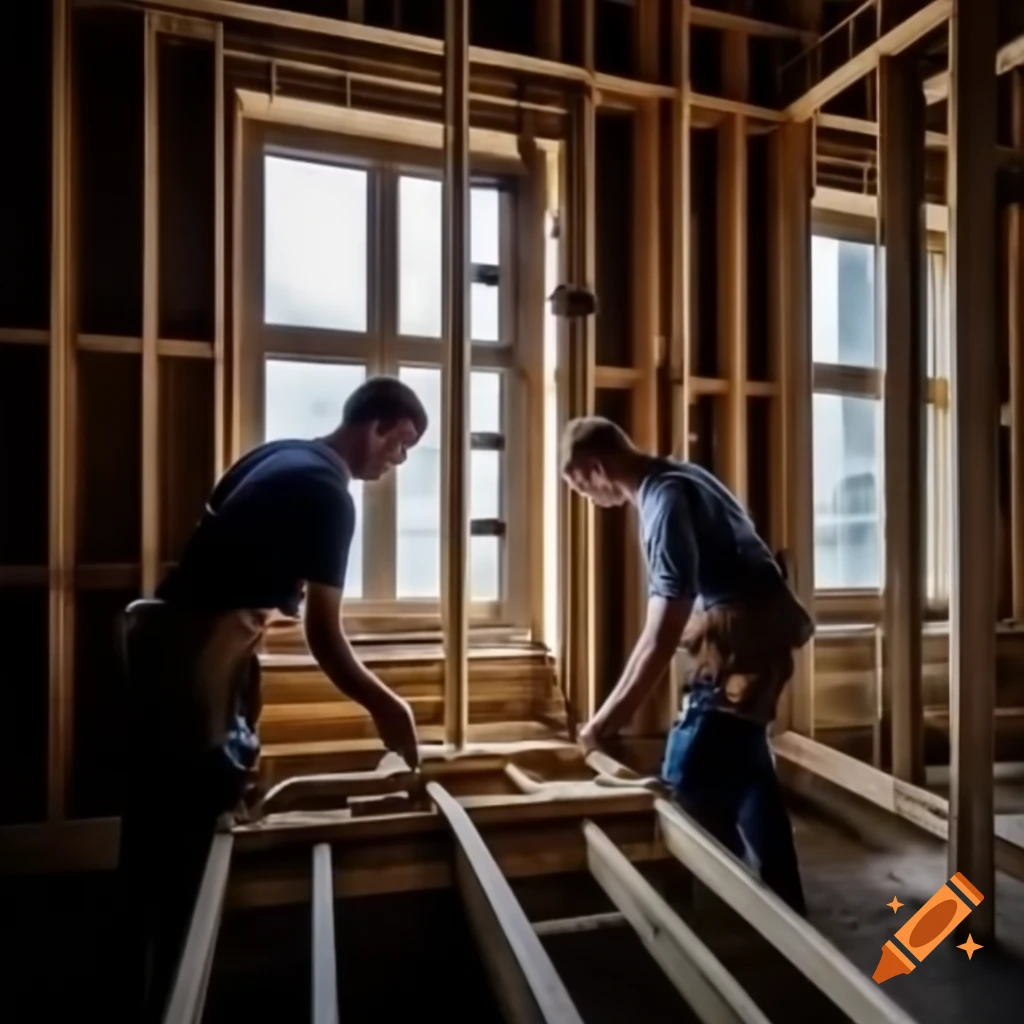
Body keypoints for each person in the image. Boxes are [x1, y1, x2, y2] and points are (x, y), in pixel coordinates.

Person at [117, 375, 427, 1021]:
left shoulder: (278, 452)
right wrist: (388, 708)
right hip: (191, 656)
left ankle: (143, 975)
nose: (397, 463)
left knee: (154, 829)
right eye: (400, 446)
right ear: (376, 427)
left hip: (167, 639)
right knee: (182, 836)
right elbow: (325, 635)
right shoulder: (328, 494)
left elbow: (220, 563)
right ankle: (168, 992)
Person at [560, 415, 814, 914]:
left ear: (593, 467)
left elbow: (659, 638)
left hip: (743, 650)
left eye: (578, 485)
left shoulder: (663, 502)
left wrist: (601, 725)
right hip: (762, 639)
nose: (584, 497)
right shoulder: (683, 476)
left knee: (688, 785)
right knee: (747, 767)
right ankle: (788, 910)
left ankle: (730, 919)